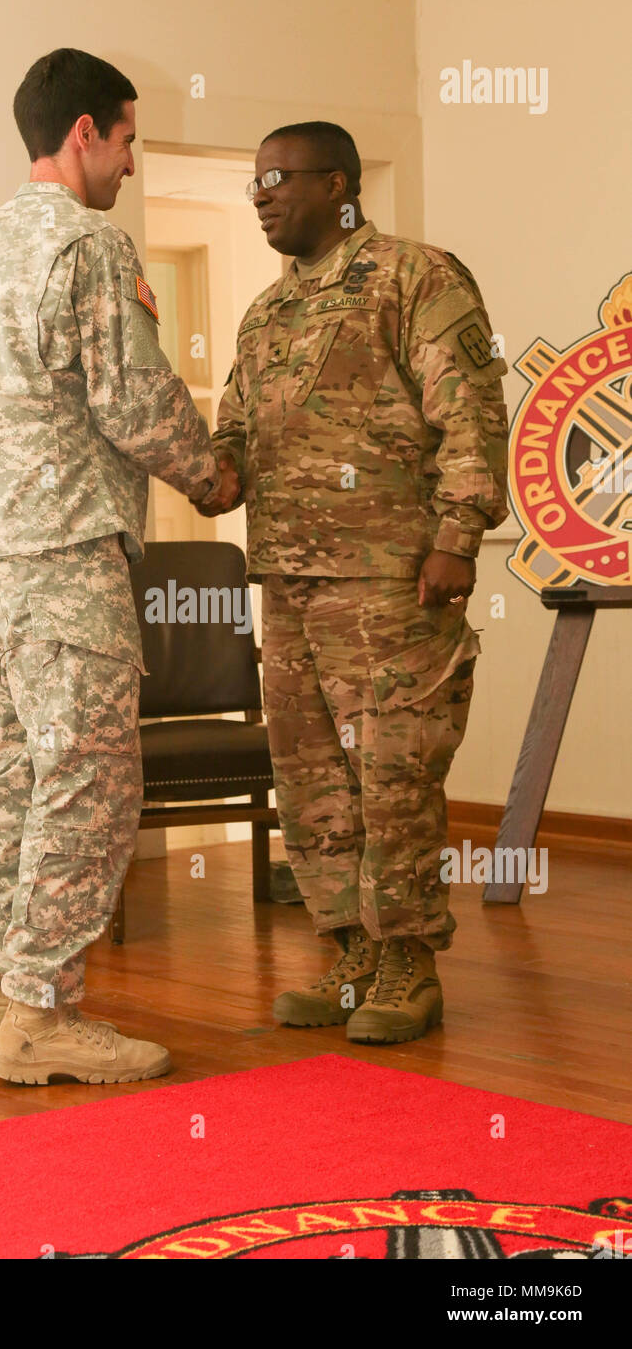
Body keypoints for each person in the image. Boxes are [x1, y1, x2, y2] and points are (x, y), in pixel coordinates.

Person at [0, 48, 239, 1085]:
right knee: (89, 783)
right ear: (85, 132)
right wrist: (217, 479)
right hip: (62, 554)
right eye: (130, 138)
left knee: (15, 772)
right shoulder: (87, 247)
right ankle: (45, 1011)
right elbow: (136, 404)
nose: (134, 164)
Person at [197, 121, 508, 1043]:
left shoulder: (419, 277)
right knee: (311, 779)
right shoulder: (263, 315)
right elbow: (236, 437)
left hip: (392, 578)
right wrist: (200, 466)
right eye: (253, 181)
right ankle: (351, 955)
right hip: (288, 581)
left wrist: (458, 534)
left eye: (278, 178)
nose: (260, 194)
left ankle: (409, 962)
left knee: (395, 773)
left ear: (339, 185)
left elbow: (473, 412)